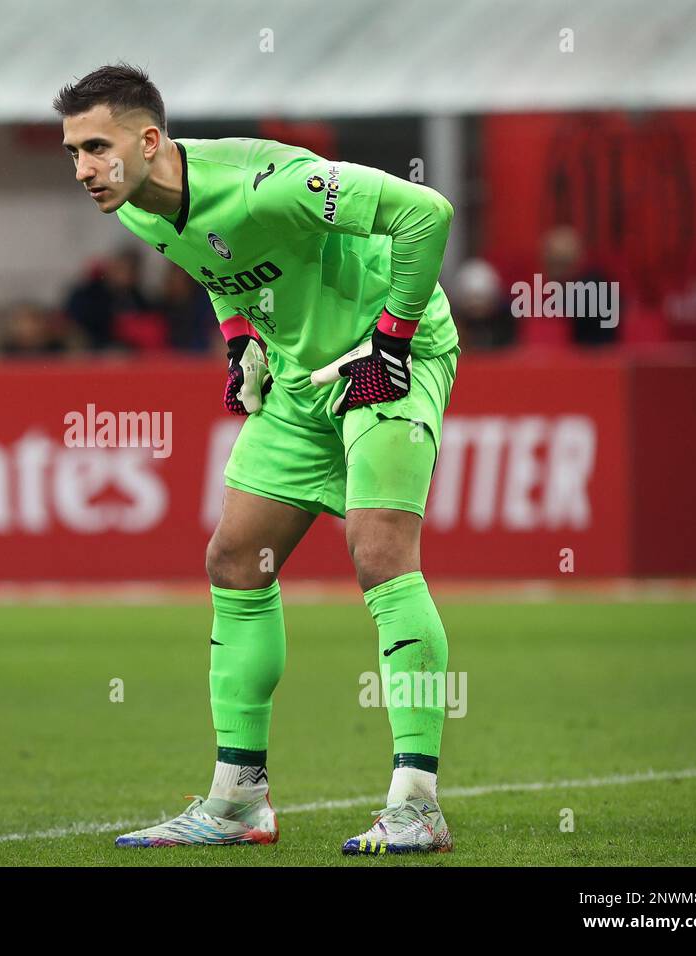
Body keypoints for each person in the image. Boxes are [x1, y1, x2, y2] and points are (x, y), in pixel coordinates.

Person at [57, 63, 458, 854]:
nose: (82, 170)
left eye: (95, 147)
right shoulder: (140, 210)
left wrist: (393, 340)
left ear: (148, 140)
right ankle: (238, 802)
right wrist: (242, 340)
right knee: (236, 560)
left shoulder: (275, 183)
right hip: (301, 379)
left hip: (387, 360)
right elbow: (221, 268)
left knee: (379, 555)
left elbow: (427, 216)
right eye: (71, 152)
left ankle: (418, 802)